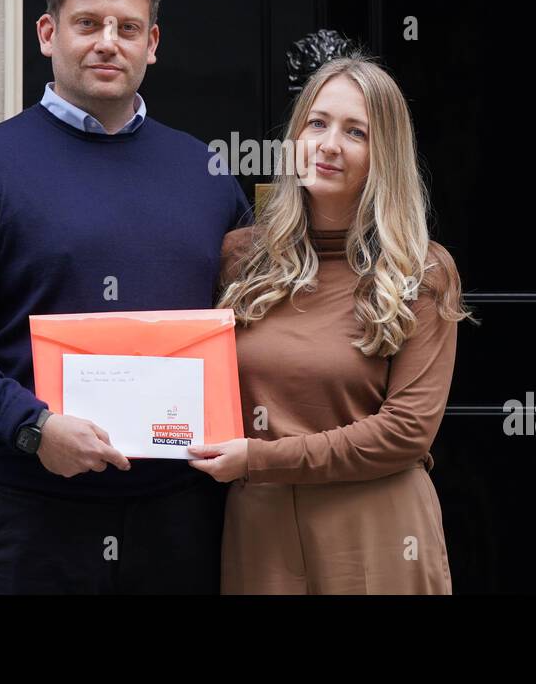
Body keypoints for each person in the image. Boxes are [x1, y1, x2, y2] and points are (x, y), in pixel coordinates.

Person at [0, 0, 251, 593]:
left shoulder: (203, 174)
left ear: (152, 43)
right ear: (48, 33)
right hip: (29, 519)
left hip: (181, 518)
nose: (106, 43)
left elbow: (255, 328)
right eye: (87, 24)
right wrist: (33, 429)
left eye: (126, 28)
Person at [188, 51, 473, 594]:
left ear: (383, 154)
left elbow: (406, 433)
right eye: (317, 123)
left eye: (356, 132)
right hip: (261, 529)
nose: (329, 145)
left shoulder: (420, 269)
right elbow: (193, 379)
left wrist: (261, 457)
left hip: (375, 526)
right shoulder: (242, 258)